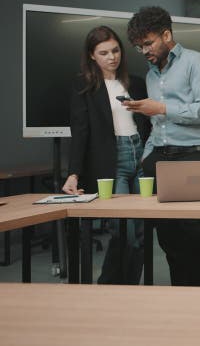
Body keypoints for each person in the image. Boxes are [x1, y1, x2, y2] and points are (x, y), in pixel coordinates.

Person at [124, 6, 200, 287]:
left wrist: (161, 108)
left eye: (148, 43)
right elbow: (158, 127)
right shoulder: (152, 75)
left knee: (195, 240)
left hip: (194, 158)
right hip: (160, 158)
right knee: (169, 240)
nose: (144, 51)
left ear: (166, 35)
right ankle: (181, 301)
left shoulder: (196, 62)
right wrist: (146, 158)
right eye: (139, 46)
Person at [63, 25, 151, 285]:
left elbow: (148, 123)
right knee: (124, 232)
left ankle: (127, 289)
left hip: (140, 157)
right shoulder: (83, 85)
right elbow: (80, 131)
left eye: (115, 50)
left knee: (142, 235)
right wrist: (73, 173)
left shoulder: (136, 82)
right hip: (113, 164)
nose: (112, 57)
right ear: (92, 55)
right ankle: (109, 286)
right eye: (103, 53)